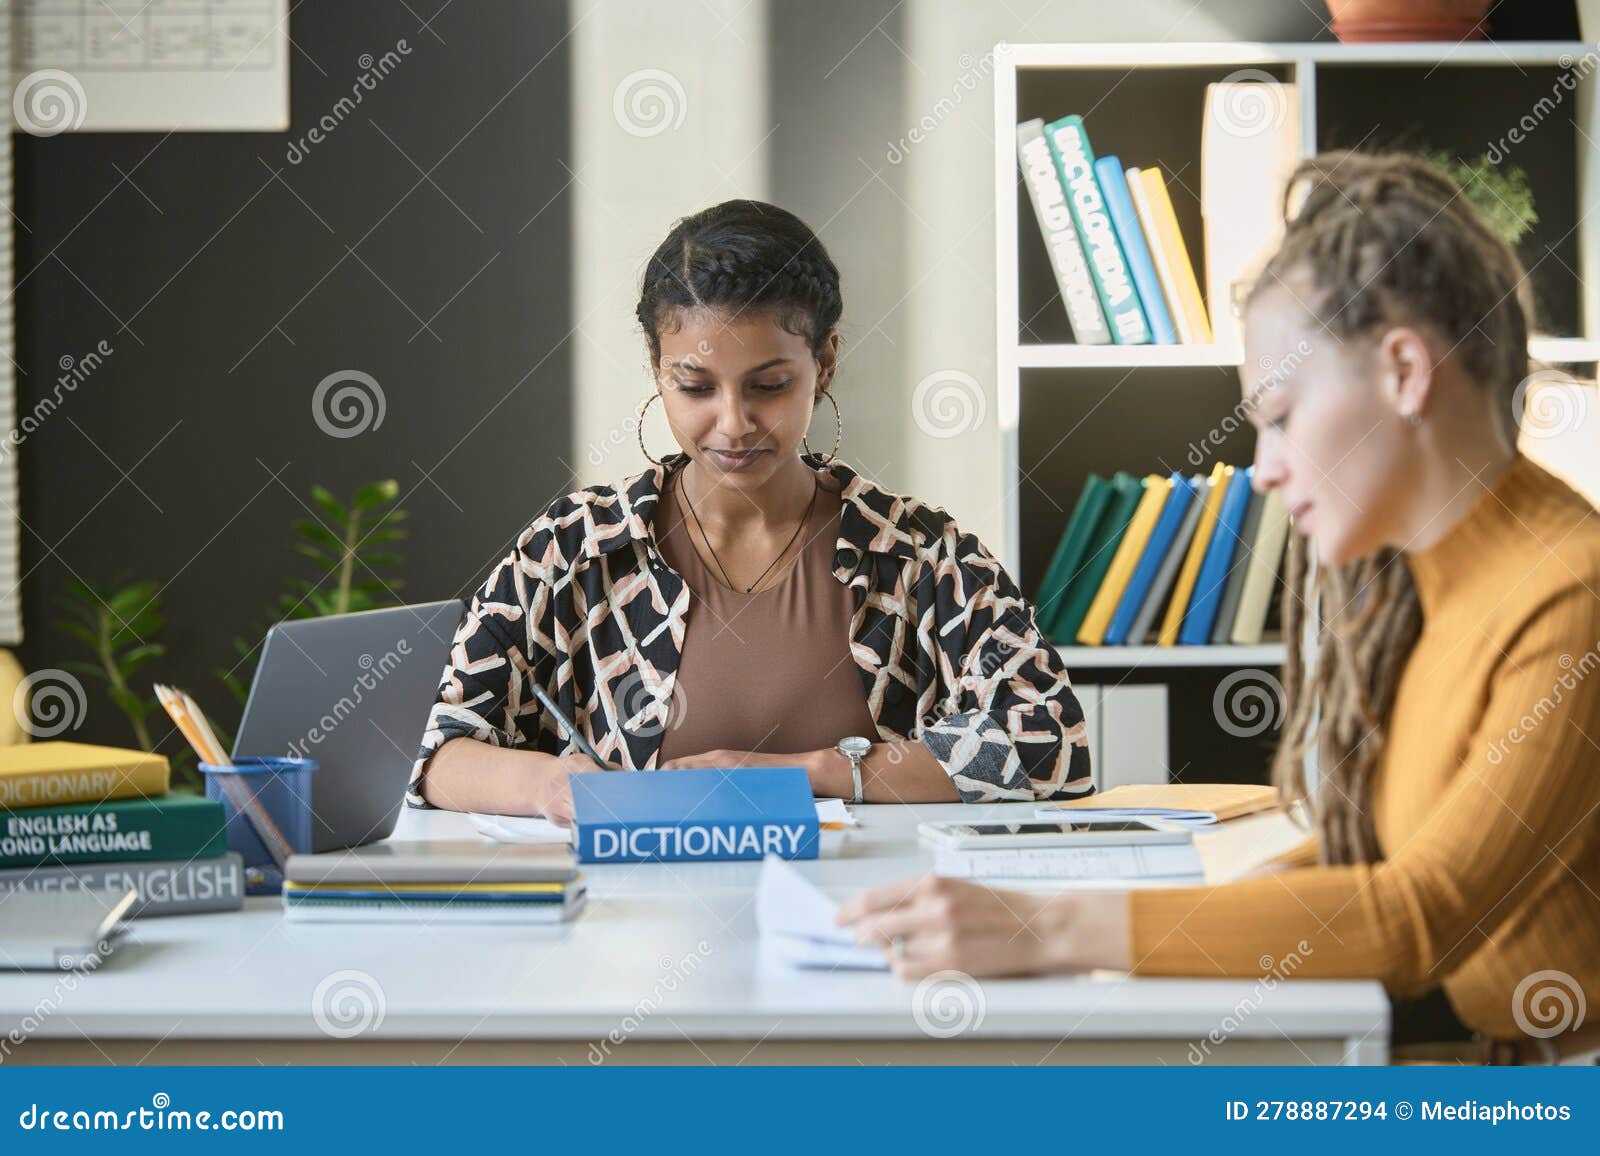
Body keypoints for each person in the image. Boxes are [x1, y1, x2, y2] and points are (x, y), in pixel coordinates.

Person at [840, 151, 1600, 1057]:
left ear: (1404, 372)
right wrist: (1169, 915)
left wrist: (1048, 927)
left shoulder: (1571, 597)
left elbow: (1417, 916)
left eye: (1279, 417)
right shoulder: (1413, 583)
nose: (1264, 469)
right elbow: (1374, 860)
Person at [407, 199, 1091, 822]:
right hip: (634, 915)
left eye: (769, 386)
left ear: (825, 362)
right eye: (695, 387)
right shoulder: (575, 547)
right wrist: (554, 786)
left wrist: (812, 773)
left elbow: (1051, 742)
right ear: (656, 367)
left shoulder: (917, 553)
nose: (733, 424)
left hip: (868, 912)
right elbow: (428, 745)